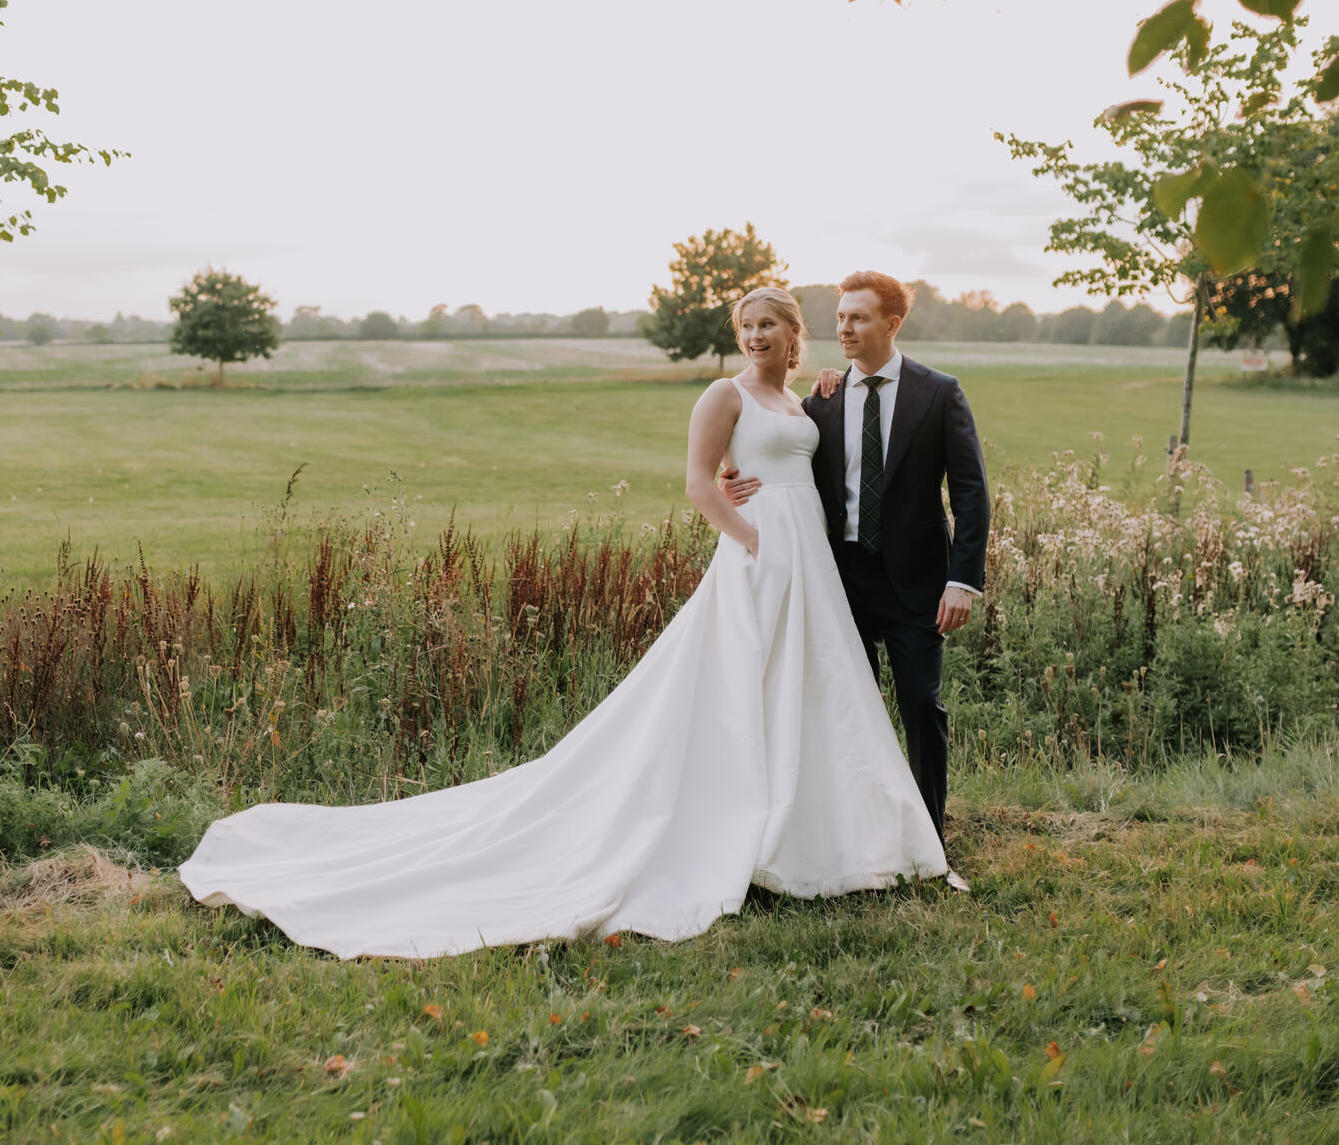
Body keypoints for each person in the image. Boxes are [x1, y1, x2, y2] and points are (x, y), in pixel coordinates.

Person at [176, 286, 957, 960]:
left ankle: (822, 831)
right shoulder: (723, 395)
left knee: (813, 687)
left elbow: (824, 445)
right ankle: (741, 825)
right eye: (746, 327)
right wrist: (751, 541)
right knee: (737, 687)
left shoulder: (809, 397)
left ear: (795, 335)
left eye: (769, 327)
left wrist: (795, 509)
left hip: (810, 559)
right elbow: (697, 482)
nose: (756, 338)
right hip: (759, 559)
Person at [724, 270, 989, 845]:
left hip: (918, 584)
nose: (844, 327)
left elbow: (970, 493)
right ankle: (855, 832)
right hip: (835, 579)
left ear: (892, 324)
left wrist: (962, 581)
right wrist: (733, 483)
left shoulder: (939, 393)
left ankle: (927, 833)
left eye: (858, 317)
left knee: (921, 704)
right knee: (844, 710)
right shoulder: (820, 400)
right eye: (841, 317)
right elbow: (778, 462)